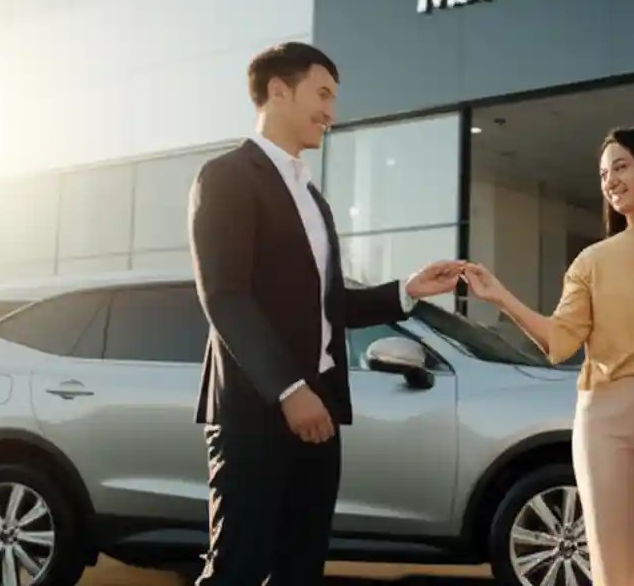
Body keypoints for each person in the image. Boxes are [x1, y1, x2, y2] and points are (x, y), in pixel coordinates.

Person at [187, 41, 463, 585]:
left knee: (301, 570)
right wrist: (290, 391)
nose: (331, 112)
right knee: (237, 570)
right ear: (277, 90)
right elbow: (225, 297)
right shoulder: (225, 176)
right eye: (323, 94)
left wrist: (406, 291)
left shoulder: (313, 198)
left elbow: (329, 305)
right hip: (257, 410)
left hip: (320, 411)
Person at [463, 127, 634, 586]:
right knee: (612, 564)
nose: (610, 180)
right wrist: (501, 298)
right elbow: (560, 343)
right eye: (604, 173)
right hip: (605, 417)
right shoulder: (592, 260)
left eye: (622, 166)